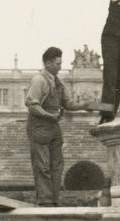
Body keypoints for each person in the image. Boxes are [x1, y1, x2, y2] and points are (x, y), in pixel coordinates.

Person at [24, 46, 86, 205]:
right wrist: (49, 115)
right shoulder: (39, 80)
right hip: (40, 126)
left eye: (60, 63)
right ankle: (45, 201)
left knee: (57, 165)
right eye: (57, 64)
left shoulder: (59, 82)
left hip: (53, 127)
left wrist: (86, 105)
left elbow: (69, 104)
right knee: (42, 165)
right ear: (48, 63)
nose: (60, 66)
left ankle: (55, 200)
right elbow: (32, 105)